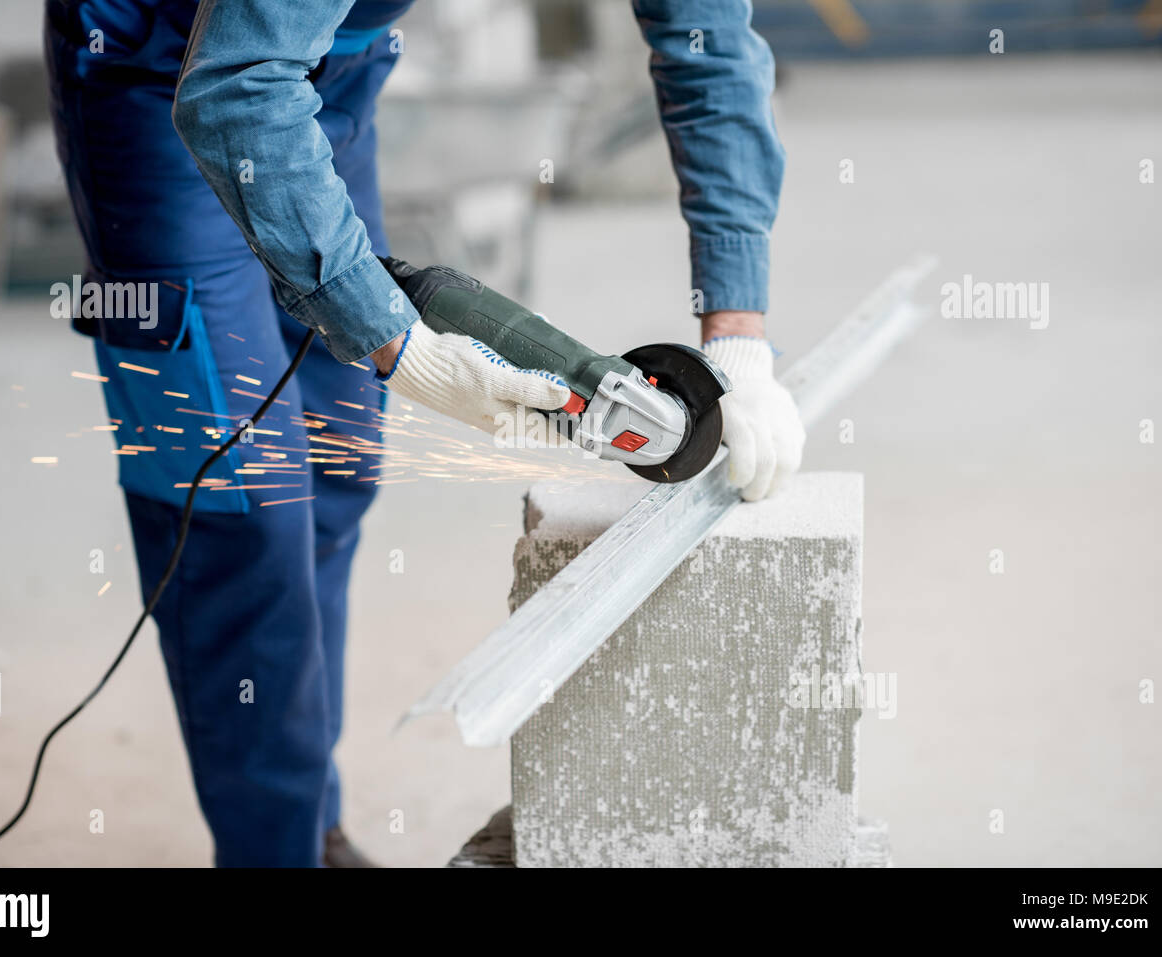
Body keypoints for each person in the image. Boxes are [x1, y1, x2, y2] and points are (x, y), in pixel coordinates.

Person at [44, 0, 803, 867]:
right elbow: (235, 86)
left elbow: (705, 44)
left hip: (327, 66)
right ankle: (274, 851)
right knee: (244, 503)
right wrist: (407, 349)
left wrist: (737, 338)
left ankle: (306, 824)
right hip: (165, 70)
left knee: (337, 460)